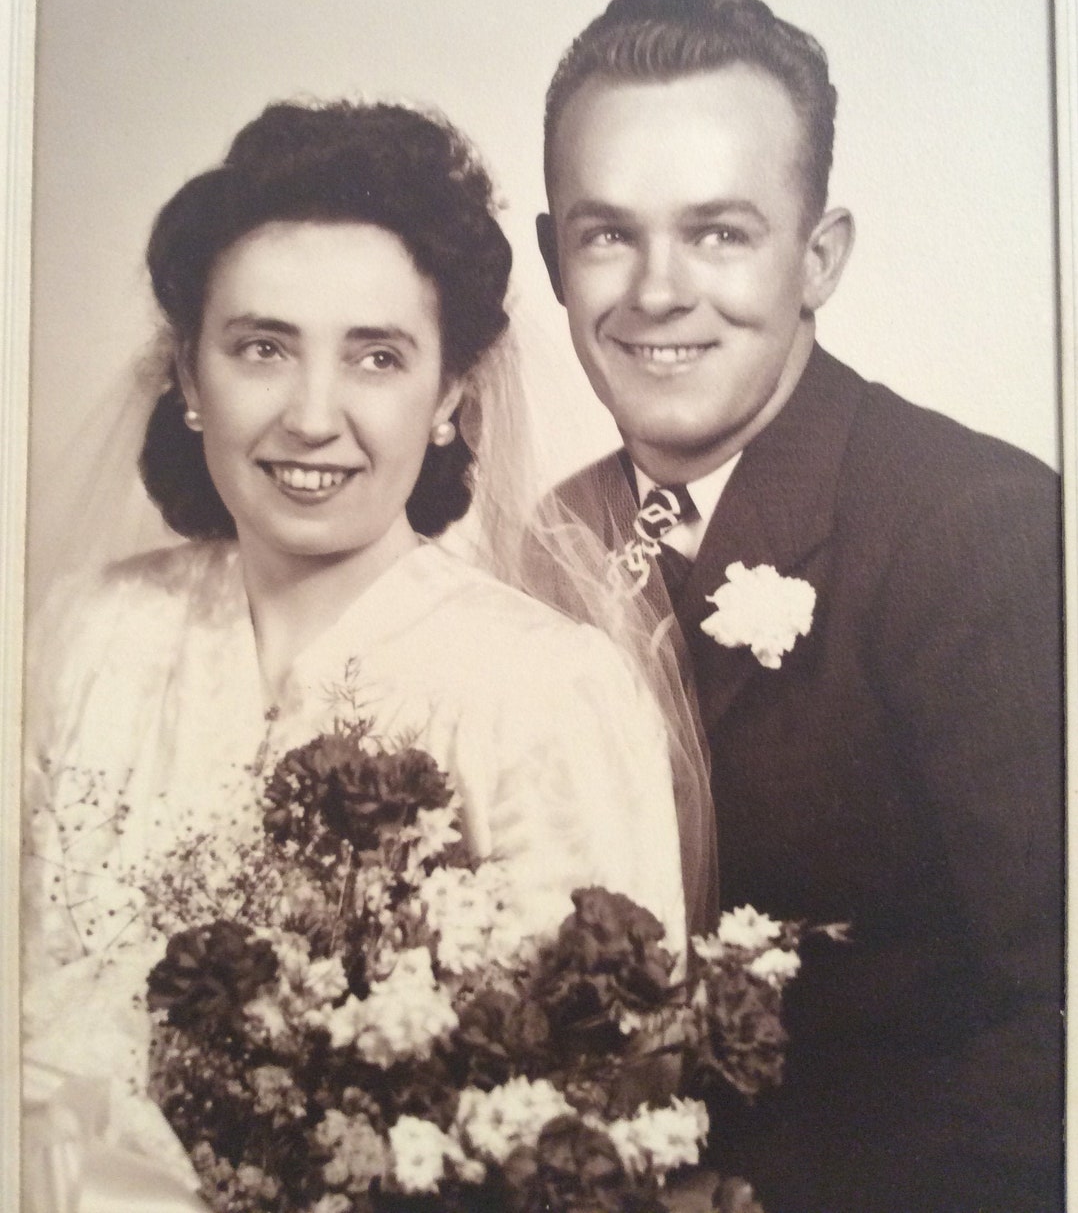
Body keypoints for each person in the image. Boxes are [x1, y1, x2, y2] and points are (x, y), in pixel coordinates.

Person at [22, 98, 708, 1209]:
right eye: (260, 349)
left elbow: (592, 1132)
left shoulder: (544, 692)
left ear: (447, 397)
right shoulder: (84, 636)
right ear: (190, 382)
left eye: (377, 357)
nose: (311, 415)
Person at [536, 0, 1064, 1213]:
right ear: (553, 259)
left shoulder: (976, 528)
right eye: (607, 231)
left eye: (720, 231)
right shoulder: (552, 536)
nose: (656, 290)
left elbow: (1057, 1024)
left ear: (819, 257)